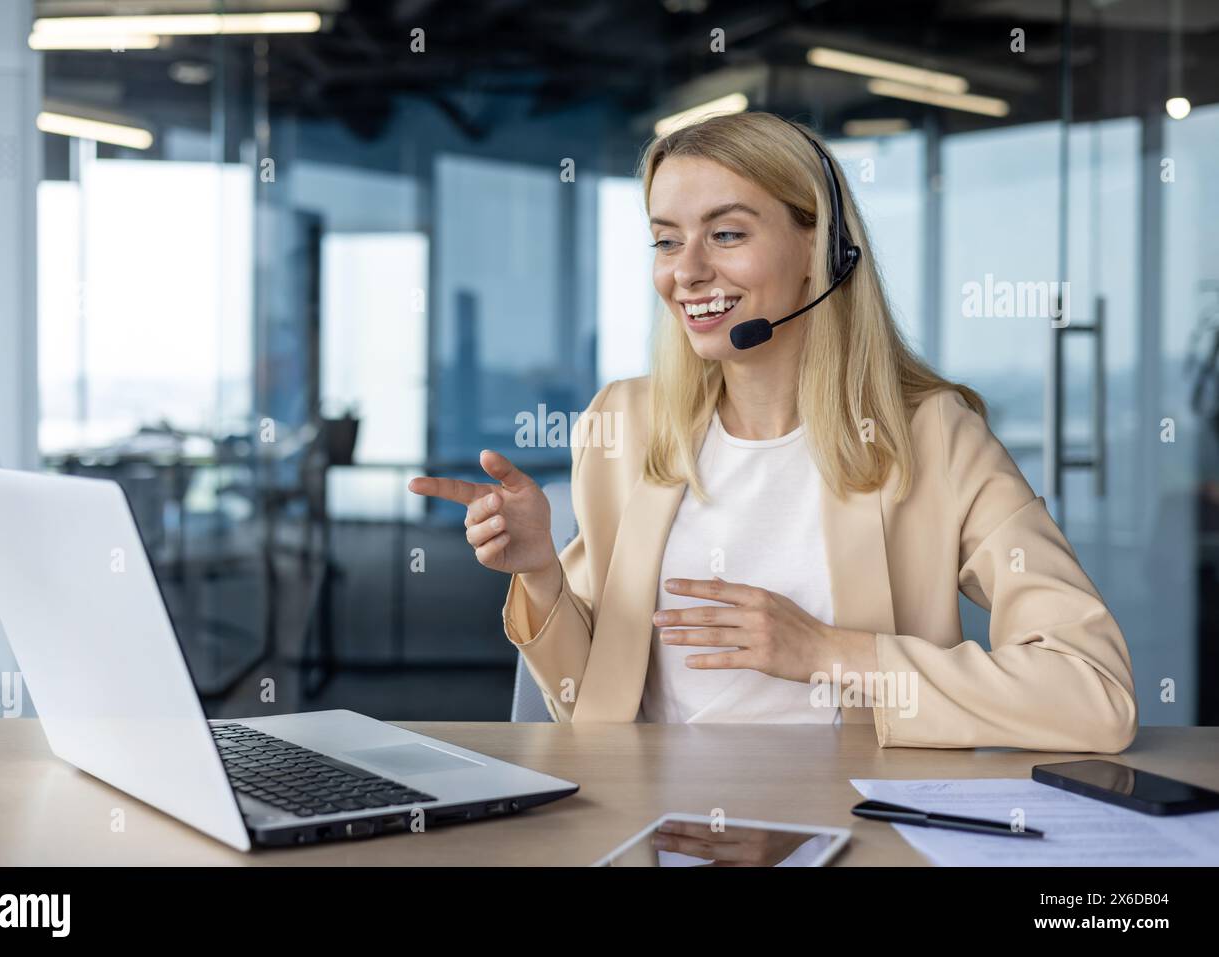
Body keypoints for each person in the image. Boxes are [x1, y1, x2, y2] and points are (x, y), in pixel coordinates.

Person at [408, 111, 1137, 751]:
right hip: (656, 828)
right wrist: (540, 570)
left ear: (821, 249)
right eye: (666, 241)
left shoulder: (936, 439)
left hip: (854, 827)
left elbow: (1092, 692)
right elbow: (589, 705)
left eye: (726, 234)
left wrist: (829, 652)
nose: (686, 272)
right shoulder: (625, 425)